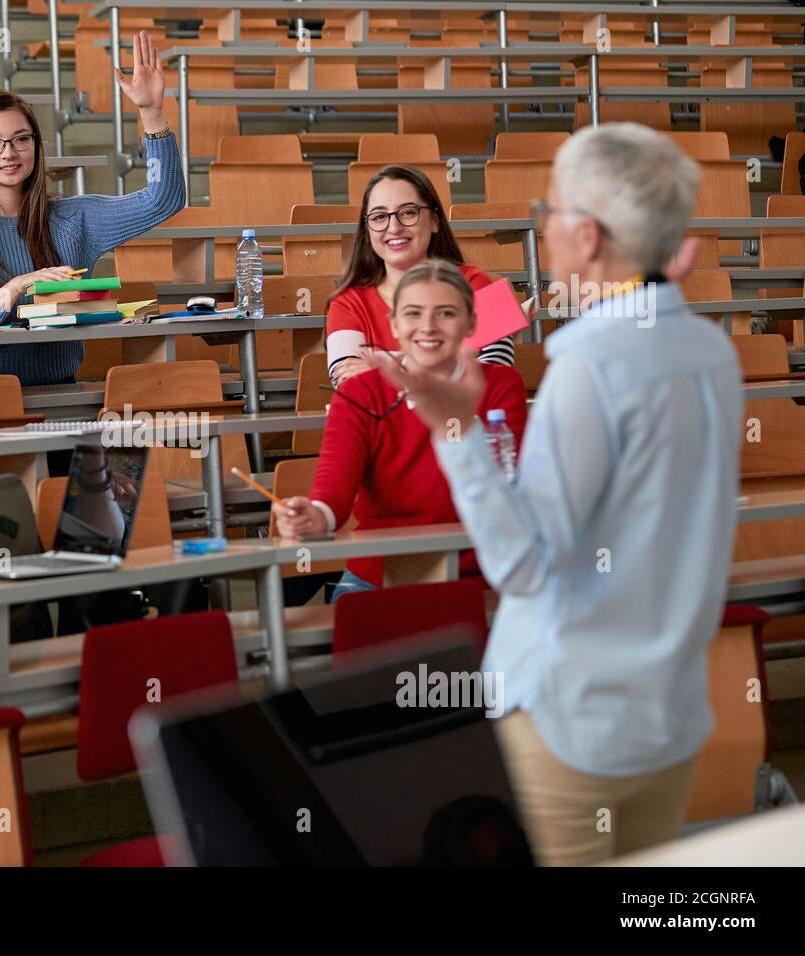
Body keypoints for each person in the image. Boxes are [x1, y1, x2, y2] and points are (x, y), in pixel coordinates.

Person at [373, 123, 742, 865]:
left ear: (589, 235)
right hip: (667, 715)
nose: (543, 227)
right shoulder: (711, 350)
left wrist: (458, 435)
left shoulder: (590, 365)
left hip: (573, 723)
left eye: (550, 211)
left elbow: (525, 565)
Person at [0, 32, 186, 388]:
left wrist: (152, 113)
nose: (9, 153)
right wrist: (12, 290)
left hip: (62, 390)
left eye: (21, 139)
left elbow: (164, 199)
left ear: (35, 145)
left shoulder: (73, 219)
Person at [273, 259, 527, 601]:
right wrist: (313, 517)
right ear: (393, 324)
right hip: (382, 575)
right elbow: (332, 494)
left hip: (485, 574)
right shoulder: (360, 392)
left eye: (446, 313)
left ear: (471, 324)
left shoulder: (501, 385)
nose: (428, 327)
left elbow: (516, 491)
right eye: (412, 313)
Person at [326, 165, 517, 387]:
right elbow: (350, 386)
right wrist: (456, 358)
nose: (394, 227)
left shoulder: (478, 282)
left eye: (408, 212)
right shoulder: (346, 303)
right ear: (367, 231)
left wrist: (385, 368)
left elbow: (495, 375)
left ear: (435, 220)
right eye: (379, 217)